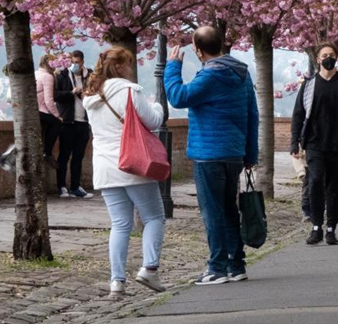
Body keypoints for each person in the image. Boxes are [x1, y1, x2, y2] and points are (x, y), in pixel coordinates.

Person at [164, 26, 259, 285]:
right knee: (229, 209)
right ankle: (236, 265)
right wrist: (250, 154)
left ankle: (217, 268)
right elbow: (252, 115)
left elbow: (178, 97)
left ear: (198, 50)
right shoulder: (241, 73)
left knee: (213, 211)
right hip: (234, 153)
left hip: (209, 153)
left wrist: (172, 67)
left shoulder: (210, 75)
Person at [82, 47, 166, 296]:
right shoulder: (130, 91)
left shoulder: (91, 96)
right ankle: (149, 268)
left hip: (105, 167)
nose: (131, 68)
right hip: (133, 163)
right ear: (119, 67)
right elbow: (154, 121)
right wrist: (158, 107)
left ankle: (116, 281)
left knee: (120, 224)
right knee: (154, 217)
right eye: (129, 64)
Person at [291, 42, 338, 246]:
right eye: (324, 55)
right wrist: (294, 142)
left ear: (336, 57)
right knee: (315, 180)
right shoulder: (309, 84)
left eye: (331, 55)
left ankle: (331, 227)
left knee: (335, 185)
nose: (328, 58)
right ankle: (316, 226)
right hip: (314, 142)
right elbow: (298, 114)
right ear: (318, 59)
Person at [54, 50, 93, 199]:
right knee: (64, 155)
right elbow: (56, 95)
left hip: (83, 121)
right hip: (68, 121)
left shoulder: (89, 75)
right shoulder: (62, 75)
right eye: (73, 62)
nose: (75, 65)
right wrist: (72, 92)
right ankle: (62, 186)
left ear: (82, 62)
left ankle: (76, 186)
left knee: (78, 155)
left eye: (77, 62)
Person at [35, 54, 61, 169]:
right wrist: (57, 115)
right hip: (41, 111)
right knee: (56, 123)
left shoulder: (36, 73)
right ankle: (47, 152)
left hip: (32, 110)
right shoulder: (47, 77)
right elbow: (49, 101)